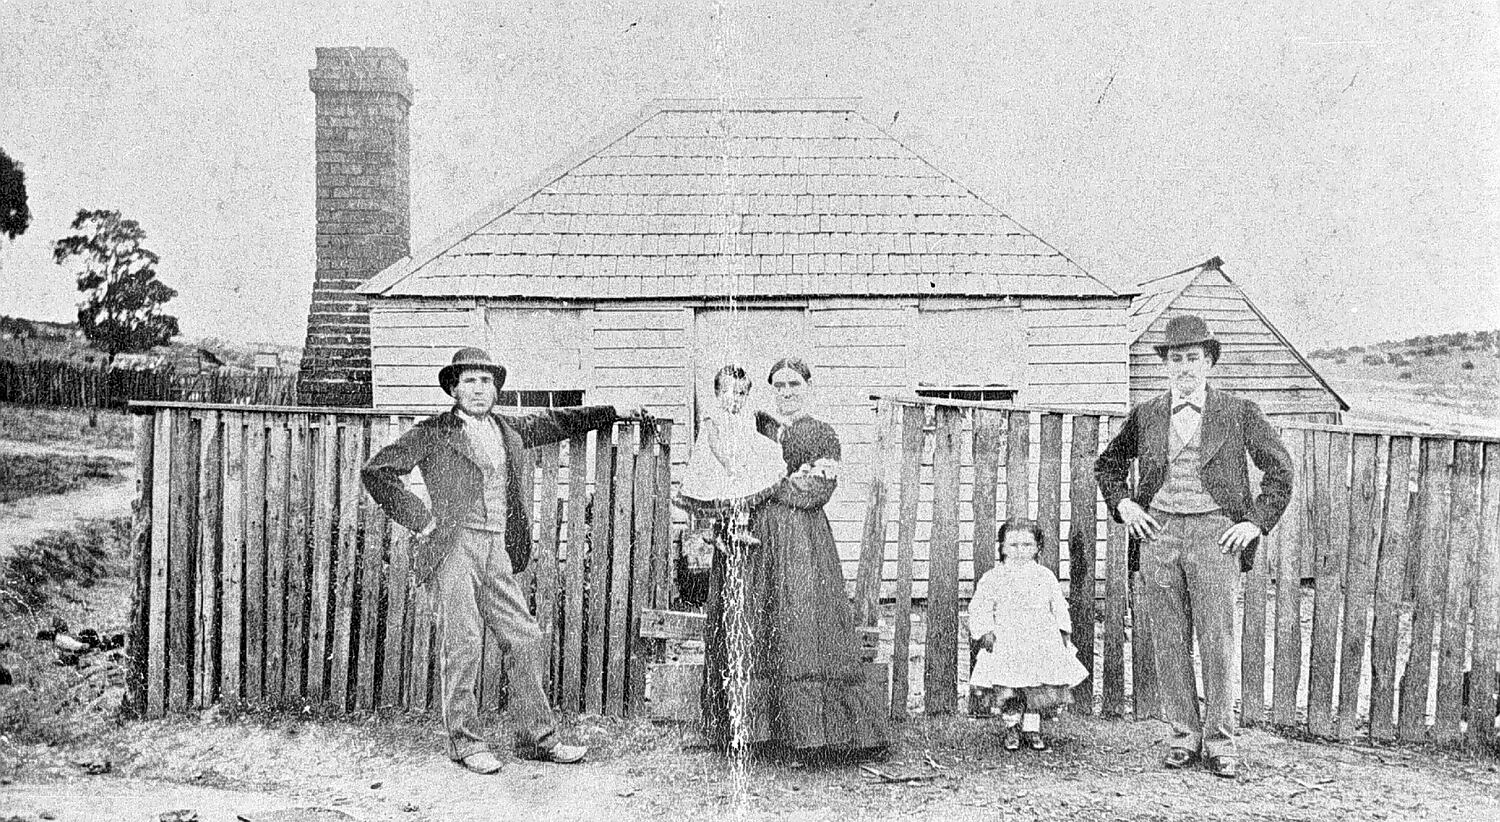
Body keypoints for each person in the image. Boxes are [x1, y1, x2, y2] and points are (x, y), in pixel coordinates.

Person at [362, 347, 641, 775]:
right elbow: (377, 471)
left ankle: (537, 739)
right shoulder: (434, 431)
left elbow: (558, 421)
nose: (479, 388)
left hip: (497, 549)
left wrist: (613, 411)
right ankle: (465, 742)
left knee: (525, 637)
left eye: (487, 381)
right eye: (470, 380)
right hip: (454, 547)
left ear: (497, 390)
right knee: (464, 643)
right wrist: (420, 518)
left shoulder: (508, 429)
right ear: (454, 389)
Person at [1094, 314, 1293, 779]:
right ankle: (1184, 736)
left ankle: (1221, 741)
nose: (1185, 367)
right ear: (1166, 364)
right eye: (1177, 358)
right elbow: (1107, 465)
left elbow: (1280, 472)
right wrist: (1124, 504)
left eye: (1194, 358)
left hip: (1215, 536)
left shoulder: (1238, 410)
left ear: (1209, 363)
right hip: (1158, 533)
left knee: (1217, 640)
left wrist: (1255, 525)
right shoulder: (1147, 413)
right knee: (1168, 641)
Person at [701, 356, 888, 760]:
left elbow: (815, 489)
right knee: (757, 623)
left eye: (794, 385)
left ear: (807, 387)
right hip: (757, 544)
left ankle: (814, 736)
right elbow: (729, 474)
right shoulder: (757, 427)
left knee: (802, 628)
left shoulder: (822, 434)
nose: (786, 392)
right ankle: (758, 734)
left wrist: (768, 485)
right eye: (779, 386)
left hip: (803, 544)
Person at [968, 519, 1088, 753]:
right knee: (1010, 686)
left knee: (1037, 688)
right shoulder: (994, 577)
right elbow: (979, 606)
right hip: (1008, 640)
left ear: (1037, 548)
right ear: (1002, 547)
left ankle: (1032, 729)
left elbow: (1059, 606)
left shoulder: (1044, 576)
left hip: (1040, 639)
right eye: (1013, 545)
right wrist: (985, 631)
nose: (1020, 551)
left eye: (1026, 545)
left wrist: (1063, 631)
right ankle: (1012, 727)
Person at [677, 364, 786, 505]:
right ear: (718, 393)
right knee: (719, 499)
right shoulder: (714, 414)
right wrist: (727, 463)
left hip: (739, 463)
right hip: (718, 462)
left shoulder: (745, 417)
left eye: (741, 394)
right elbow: (713, 441)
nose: (735, 398)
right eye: (729, 392)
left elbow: (752, 439)